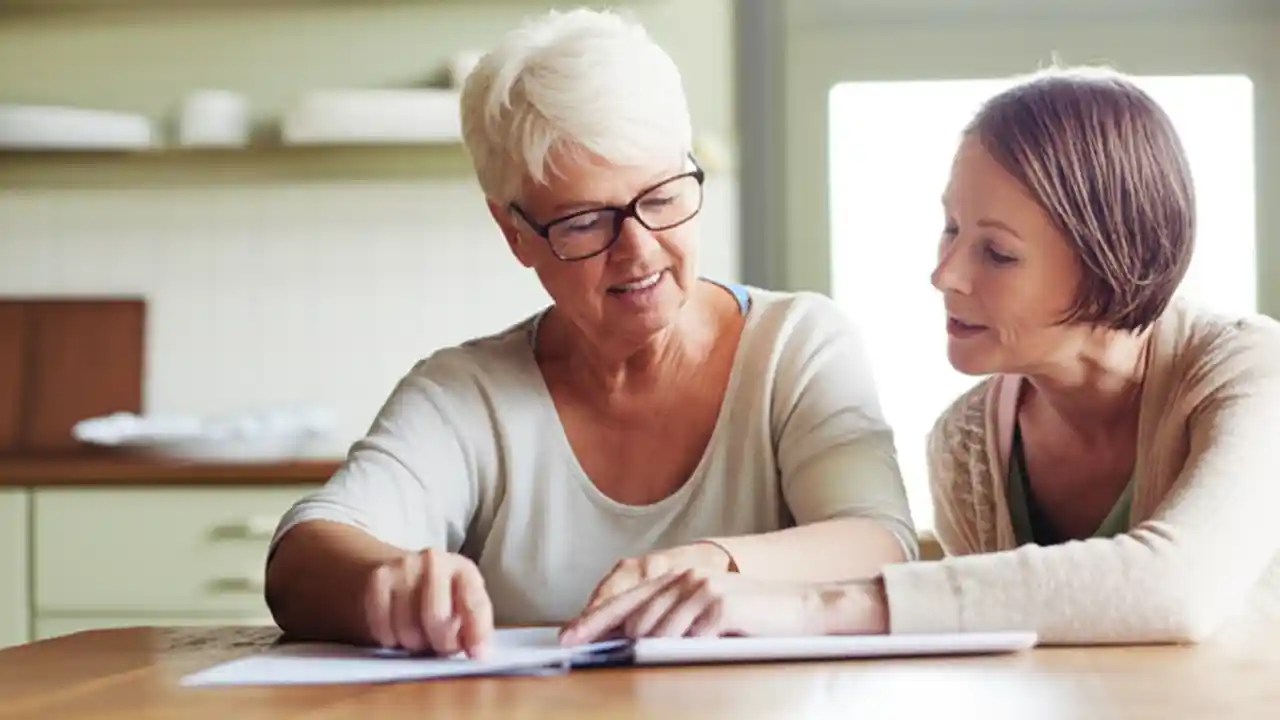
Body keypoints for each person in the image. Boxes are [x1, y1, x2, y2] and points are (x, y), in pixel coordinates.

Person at [264, 8, 916, 658]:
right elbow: (300, 560)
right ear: (515, 232)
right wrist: (387, 582)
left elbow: (879, 541)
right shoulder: (467, 395)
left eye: (661, 197)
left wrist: (714, 566)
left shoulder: (795, 347)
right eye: (584, 221)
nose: (638, 251)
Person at [561, 67, 1280, 647]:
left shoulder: (1247, 372)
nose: (947, 275)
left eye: (996, 252)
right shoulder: (968, 445)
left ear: (1108, 263)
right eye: (950, 229)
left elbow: (1179, 587)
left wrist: (809, 606)